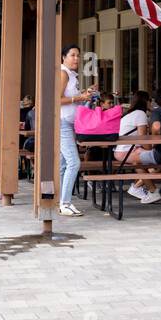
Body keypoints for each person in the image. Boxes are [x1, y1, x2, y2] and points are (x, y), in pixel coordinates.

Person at [57, 44, 96, 217]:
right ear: (63, 57)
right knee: (74, 162)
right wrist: (80, 97)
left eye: (78, 55)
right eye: (72, 55)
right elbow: (57, 99)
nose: (76, 58)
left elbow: (71, 98)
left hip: (69, 124)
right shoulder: (63, 73)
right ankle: (65, 203)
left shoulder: (70, 75)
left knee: (64, 164)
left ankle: (59, 200)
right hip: (63, 123)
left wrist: (84, 94)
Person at [116, 91, 152, 200]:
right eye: (150, 101)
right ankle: (138, 187)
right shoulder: (140, 114)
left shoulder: (130, 114)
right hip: (126, 152)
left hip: (122, 151)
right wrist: (151, 151)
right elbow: (142, 139)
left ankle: (141, 187)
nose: (151, 103)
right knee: (160, 159)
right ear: (145, 101)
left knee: (150, 161)